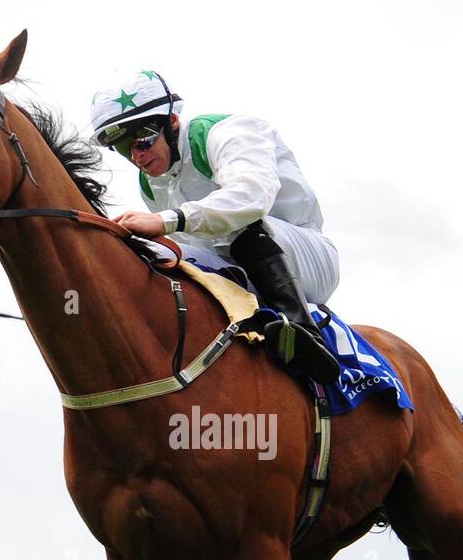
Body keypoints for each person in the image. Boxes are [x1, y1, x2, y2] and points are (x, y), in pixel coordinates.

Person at [90, 70, 340, 384]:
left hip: (307, 260)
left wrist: (165, 220)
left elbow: (250, 198)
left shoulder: (229, 132)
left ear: (173, 123)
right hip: (239, 270)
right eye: (125, 148)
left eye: (142, 140)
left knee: (237, 225)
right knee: (156, 252)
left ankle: (305, 334)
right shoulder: (151, 186)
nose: (137, 155)